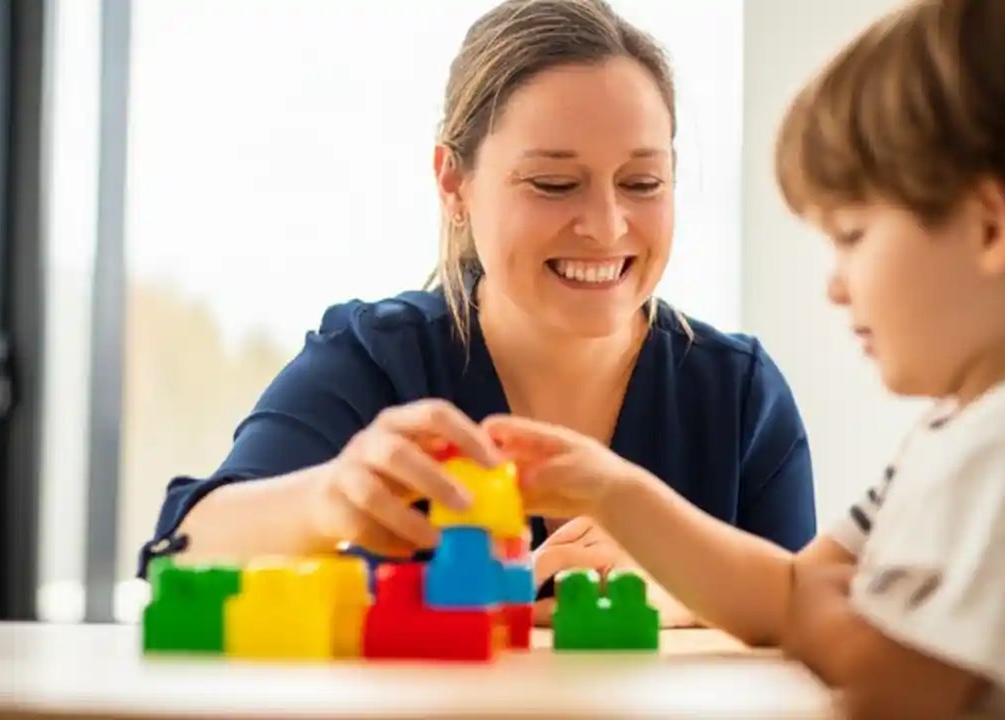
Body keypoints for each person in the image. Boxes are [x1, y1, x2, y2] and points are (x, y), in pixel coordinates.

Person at [481, 0, 1005, 716]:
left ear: (989, 229)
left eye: (852, 235)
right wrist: (612, 491)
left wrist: (804, 615)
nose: (834, 282)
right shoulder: (963, 435)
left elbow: (907, 687)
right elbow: (791, 588)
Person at [139, 0, 818, 627]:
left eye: (643, 183)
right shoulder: (376, 361)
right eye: (554, 184)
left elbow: (811, 628)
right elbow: (182, 553)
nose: (607, 227)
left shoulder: (739, 396)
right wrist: (327, 499)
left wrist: (681, 592)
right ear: (452, 182)